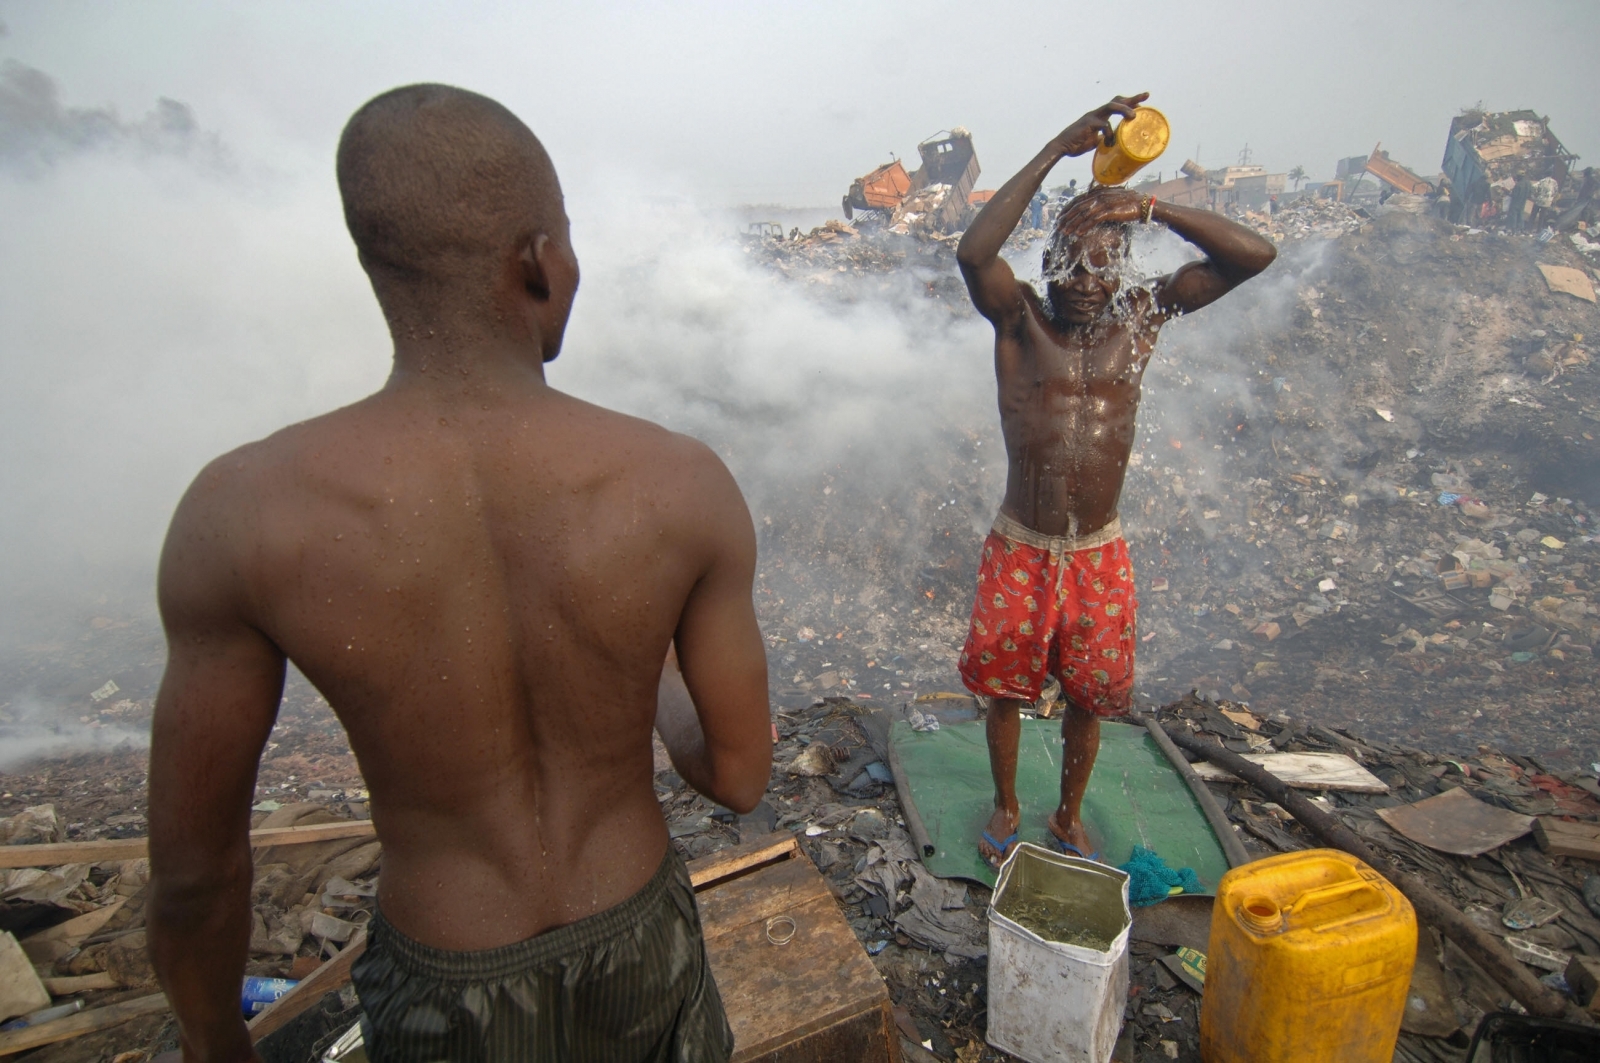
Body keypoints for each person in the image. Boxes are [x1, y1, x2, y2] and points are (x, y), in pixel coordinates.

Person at [146, 83, 772, 1063]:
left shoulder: (241, 513)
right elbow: (736, 774)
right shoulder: (679, 483)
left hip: (444, 978)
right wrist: (648, 676)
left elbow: (191, 873)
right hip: (637, 941)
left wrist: (215, 1041)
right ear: (541, 261)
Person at [953, 94, 1276, 867]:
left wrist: (1152, 205)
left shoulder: (1143, 317)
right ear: (1049, 266)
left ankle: (1066, 815)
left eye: (1105, 263)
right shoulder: (1020, 322)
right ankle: (1005, 804)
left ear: (1122, 267)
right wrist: (1056, 150)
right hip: (1023, 544)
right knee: (1006, 690)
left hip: (1097, 550)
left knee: (1090, 699)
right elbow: (973, 253)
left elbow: (1253, 256)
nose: (1089, 282)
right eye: (1074, 264)